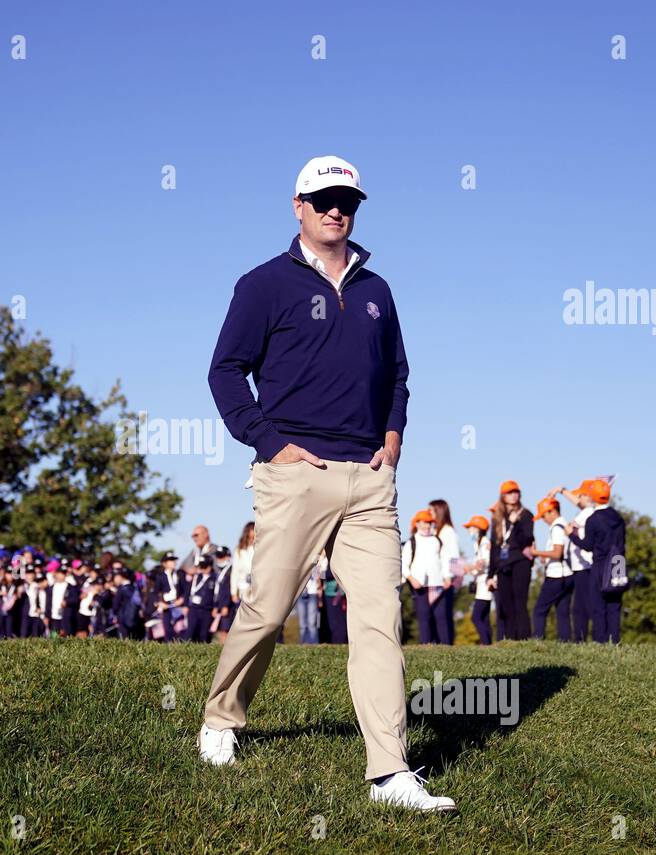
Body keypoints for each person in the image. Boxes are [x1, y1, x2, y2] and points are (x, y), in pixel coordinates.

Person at [198, 154, 452, 812]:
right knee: (268, 610)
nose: (338, 209)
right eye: (325, 199)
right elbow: (226, 371)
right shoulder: (263, 285)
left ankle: (390, 771)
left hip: (369, 479)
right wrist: (270, 444)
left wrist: (393, 438)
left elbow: (397, 373)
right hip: (294, 475)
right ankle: (222, 721)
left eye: (349, 201)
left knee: (379, 625)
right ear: (298, 206)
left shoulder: (378, 290)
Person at [566, 478, 626, 643]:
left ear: (592, 496)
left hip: (600, 564)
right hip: (618, 562)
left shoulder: (593, 519)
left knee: (599, 606)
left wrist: (572, 534)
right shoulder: (618, 517)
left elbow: (587, 545)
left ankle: (600, 640)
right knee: (614, 604)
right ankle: (615, 640)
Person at [552, 481, 601, 642]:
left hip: (585, 566)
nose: (578, 497)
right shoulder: (587, 511)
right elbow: (577, 502)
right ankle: (583, 638)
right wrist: (562, 490)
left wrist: (571, 529)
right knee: (581, 605)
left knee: (582, 607)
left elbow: (578, 507)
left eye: (581, 494)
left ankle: (582, 639)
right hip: (580, 566)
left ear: (588, 496)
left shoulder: (589, 512)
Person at [487, 481, 534, 640]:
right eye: (509, 492)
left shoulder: (525, 514)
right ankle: (510, 639)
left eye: (515, 492)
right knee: (505, 604)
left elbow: (526, 540)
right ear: (503, 496)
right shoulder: (497, 517)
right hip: (503, 565)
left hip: (520, 562)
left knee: (520, 603)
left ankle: (524, 639)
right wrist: (490, 574)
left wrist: (517, 523)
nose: (513, 495)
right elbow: (494, 547)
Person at [528, 496, 574, 640]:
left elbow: (557, 552)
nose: (543, 519)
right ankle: (565, 643)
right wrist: (545, 557)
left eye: (543, 516)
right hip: (568, 574)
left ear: (552, 511)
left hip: (556, 576)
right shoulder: (564, 525)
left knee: (539, 610)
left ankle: (537, 641)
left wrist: (536, 552)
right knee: (562, 611)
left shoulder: (556, 528)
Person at [402, 509, 448, 644]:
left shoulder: (436, 540)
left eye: (429, 523)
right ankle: (425, 645)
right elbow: (404, 564)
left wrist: (447, 577)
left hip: (437, 584)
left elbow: (444, 560)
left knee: (441, 617)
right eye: (424, 522)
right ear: (417, 524)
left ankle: (445, 645)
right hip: (419, 585)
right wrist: (411, 579)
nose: (427, 526)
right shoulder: (411, 542)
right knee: (424, 617)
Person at [429, 499, 462, 643]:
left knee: (443, 615)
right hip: (436, 578)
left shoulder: (448, 531)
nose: (429, 513)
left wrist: (449, 577)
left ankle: (446, 645)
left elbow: (453, 556)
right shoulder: (436, 530)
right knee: (435, 615)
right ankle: (438, 644)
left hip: (445, 579)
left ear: (439, 511)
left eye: (431, 510)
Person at [464, 515, 493, 645]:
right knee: (484, 617)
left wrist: (469, 568)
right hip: (482, 582)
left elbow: (484, 563)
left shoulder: (485, 543)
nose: (469, 531)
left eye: (471, 528)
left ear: (479, 529)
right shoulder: (479, 543)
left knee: (476, 617)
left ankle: (485, 643)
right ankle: (487, 642)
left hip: (485, 583)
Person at [185, 555, 217, 642]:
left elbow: (217, 594)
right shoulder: (196, 577)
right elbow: (187, 592)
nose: (202, 568)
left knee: (204, 634)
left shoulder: (215, 578)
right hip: (193, 608)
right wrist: (185, 605)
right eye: (201, 566)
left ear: (210, 566)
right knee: (190, 632)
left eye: (204, 566)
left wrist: (216, 607)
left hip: (207, 610)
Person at [210, 546, 235, 642]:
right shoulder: (219, 571)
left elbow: (229, 589)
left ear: (228, 556)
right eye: (217, 556)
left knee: (226, 630)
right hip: (220, 605)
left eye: (221, 556)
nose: (218, 559)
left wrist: (225, 605)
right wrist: (216, 606)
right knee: (221, 630)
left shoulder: (231, 570)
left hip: (228, 606)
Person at [296, 563, 321, 644]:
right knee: (302, 624)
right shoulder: (299, 563)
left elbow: (319, 580)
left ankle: (314, 644)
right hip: (300, 594)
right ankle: (303, 644)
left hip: (312, 594)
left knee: (312, 623)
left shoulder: (315, 563)